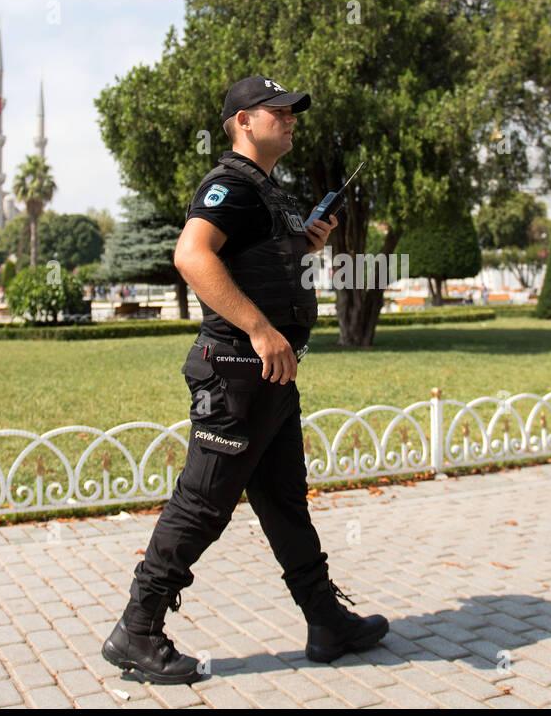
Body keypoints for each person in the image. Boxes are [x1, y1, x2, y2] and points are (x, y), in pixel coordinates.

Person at [103, 75, 389, 684]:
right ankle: (137, 627)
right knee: (204, 503)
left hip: (272, 379)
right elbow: (192, 256)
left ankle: (326, 620)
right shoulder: (228, 185)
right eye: (276, 110)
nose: (290, 118)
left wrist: (304, 244)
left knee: (284, 502)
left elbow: (258, 266)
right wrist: (260, 330)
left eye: (292, 111)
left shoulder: (268, 193)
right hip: (236, 372)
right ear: (241, 122)